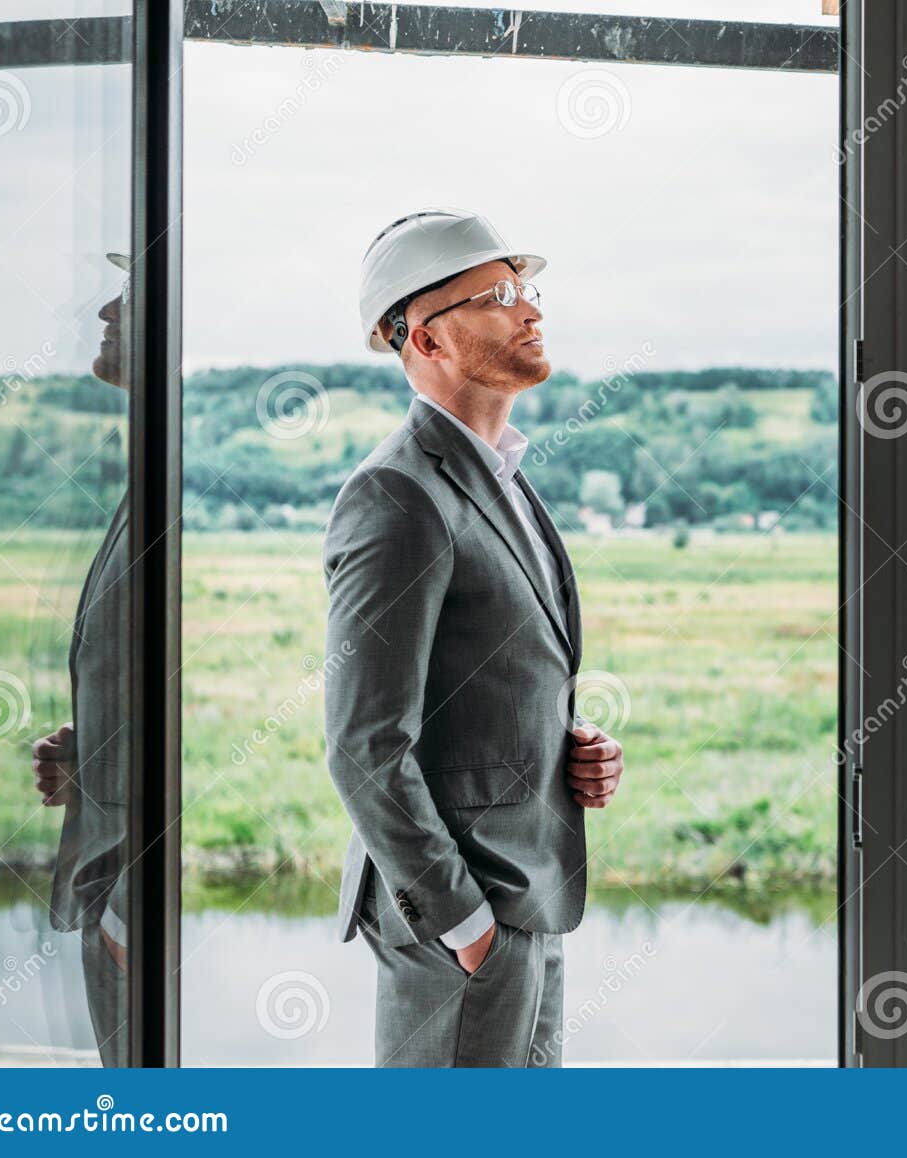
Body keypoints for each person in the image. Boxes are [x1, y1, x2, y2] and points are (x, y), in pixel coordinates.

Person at [325, 208, 625, 1067]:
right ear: (426, 339)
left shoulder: (503, 478)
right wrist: (464, 925)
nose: (530, 310)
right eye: (497, 296)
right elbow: (363, 744)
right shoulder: (396, 494)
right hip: (463, 914)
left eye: (526, 289)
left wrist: (564, 747)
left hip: (525, 895)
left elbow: (481, 682)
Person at [30, 252, 133, 1067]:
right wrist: (93, 747)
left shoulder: (176, 486)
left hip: (133, 908)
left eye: (129, 294)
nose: (106, 310)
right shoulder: (148, 474)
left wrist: (131, 914)